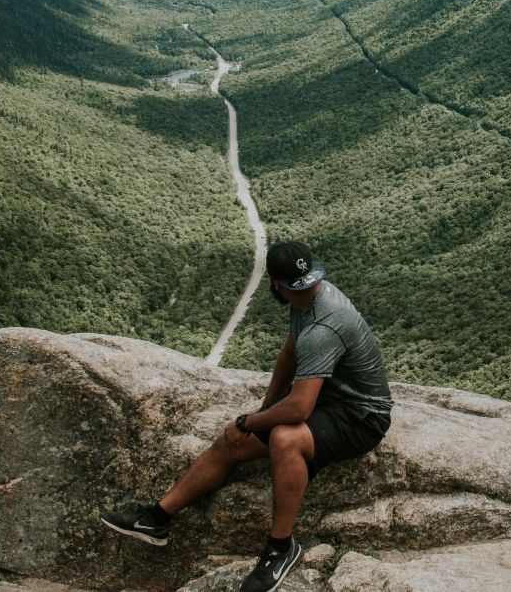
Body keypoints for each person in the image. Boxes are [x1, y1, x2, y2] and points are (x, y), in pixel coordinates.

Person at [101, 240, 394, 592]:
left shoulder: (321, 324)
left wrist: (250, 422)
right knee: (231, 440)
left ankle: (281, 548)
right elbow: (289, 355)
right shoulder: (308, 298)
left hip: (362, 416)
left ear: (275, 285)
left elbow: (300, 408)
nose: (305, 290)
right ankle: (157, 518)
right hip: (328, 398)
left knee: (286, 439)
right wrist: (264, 410)